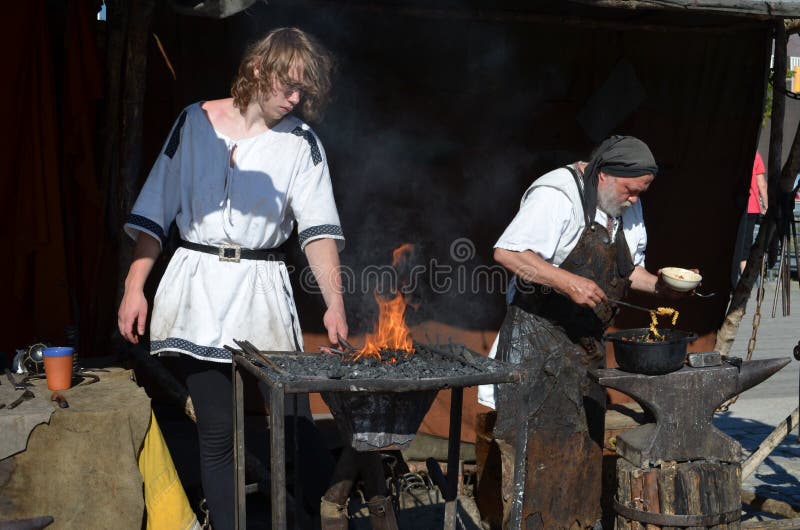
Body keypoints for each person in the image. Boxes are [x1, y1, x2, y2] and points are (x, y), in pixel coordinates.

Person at [118, 27, 347, 530]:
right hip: (197, 291)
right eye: (288, 85)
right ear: (258, 69)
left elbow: (317, 232)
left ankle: (321, 520)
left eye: (303, 90)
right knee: (217, 431)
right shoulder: (194, 122)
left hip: (261, 291)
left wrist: (334, 302)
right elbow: (155, 211)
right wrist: (135, 287)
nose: (295, 99)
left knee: (293, 426)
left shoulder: (301, 144)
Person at [488, 136, 690, 528]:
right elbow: (508, 253)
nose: (634, 199)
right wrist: (567, 282)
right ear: (603, 175)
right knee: (537, 462)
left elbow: (628, 271)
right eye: (630, 190)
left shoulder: (625, 204)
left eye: (641, 192)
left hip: (585, 348)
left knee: (582, 454)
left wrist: (663, 287)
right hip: (536, 343)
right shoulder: (556, 195)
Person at [732, 152, 767, 286]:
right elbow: (761, 184)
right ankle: (743, 285)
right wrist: (767, 205)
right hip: (751, 206)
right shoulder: (756, 155)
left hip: (733, 205)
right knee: (745, 249)